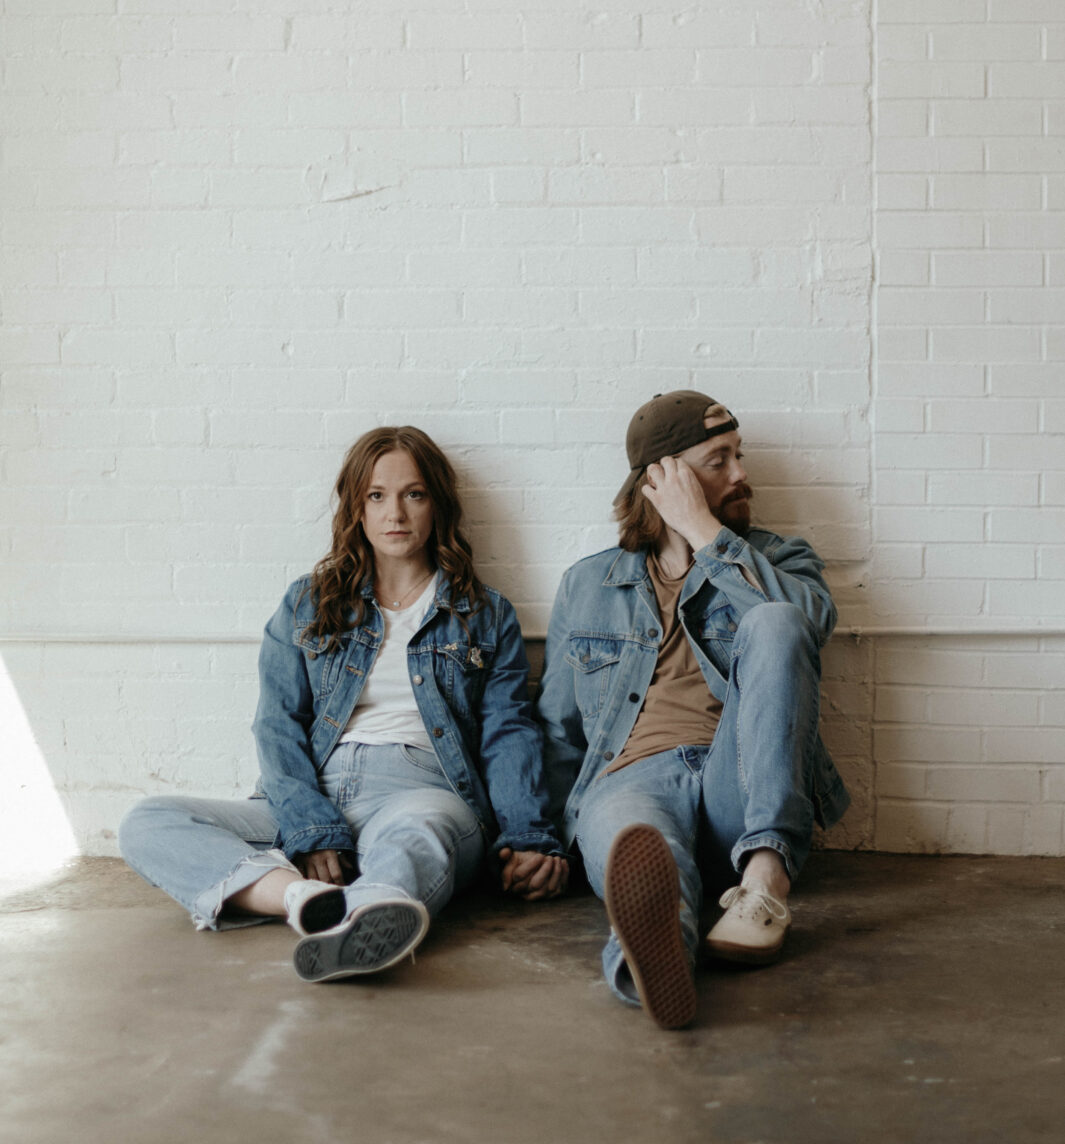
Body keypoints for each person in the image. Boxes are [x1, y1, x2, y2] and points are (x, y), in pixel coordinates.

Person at [120, 426, 568, 983]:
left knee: (418, 836)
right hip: (316, 791)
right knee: (149, 821)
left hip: (425, 790)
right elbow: (277, 725)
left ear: (438, 506)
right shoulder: (309, 602)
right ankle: (305, 900)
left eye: (414, 493)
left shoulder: (482, 613)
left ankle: (369, 917)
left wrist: (527, 836)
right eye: (376, 496)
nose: (395, 512)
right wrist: (310, 828)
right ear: (356, 507)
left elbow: (508, 731)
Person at [536, 390, 849, 1029]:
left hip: (738, 784)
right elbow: (558, 728)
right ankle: (654, 959)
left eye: (739, 456)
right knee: (641, 847)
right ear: (662, 479)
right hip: (630, 780)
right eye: (718, 460)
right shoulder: (587, 584)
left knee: (778, 620)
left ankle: (765, 882)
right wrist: (536, 840)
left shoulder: (779, 559)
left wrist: (707, 535)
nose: (740, 475)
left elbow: (809, 625)